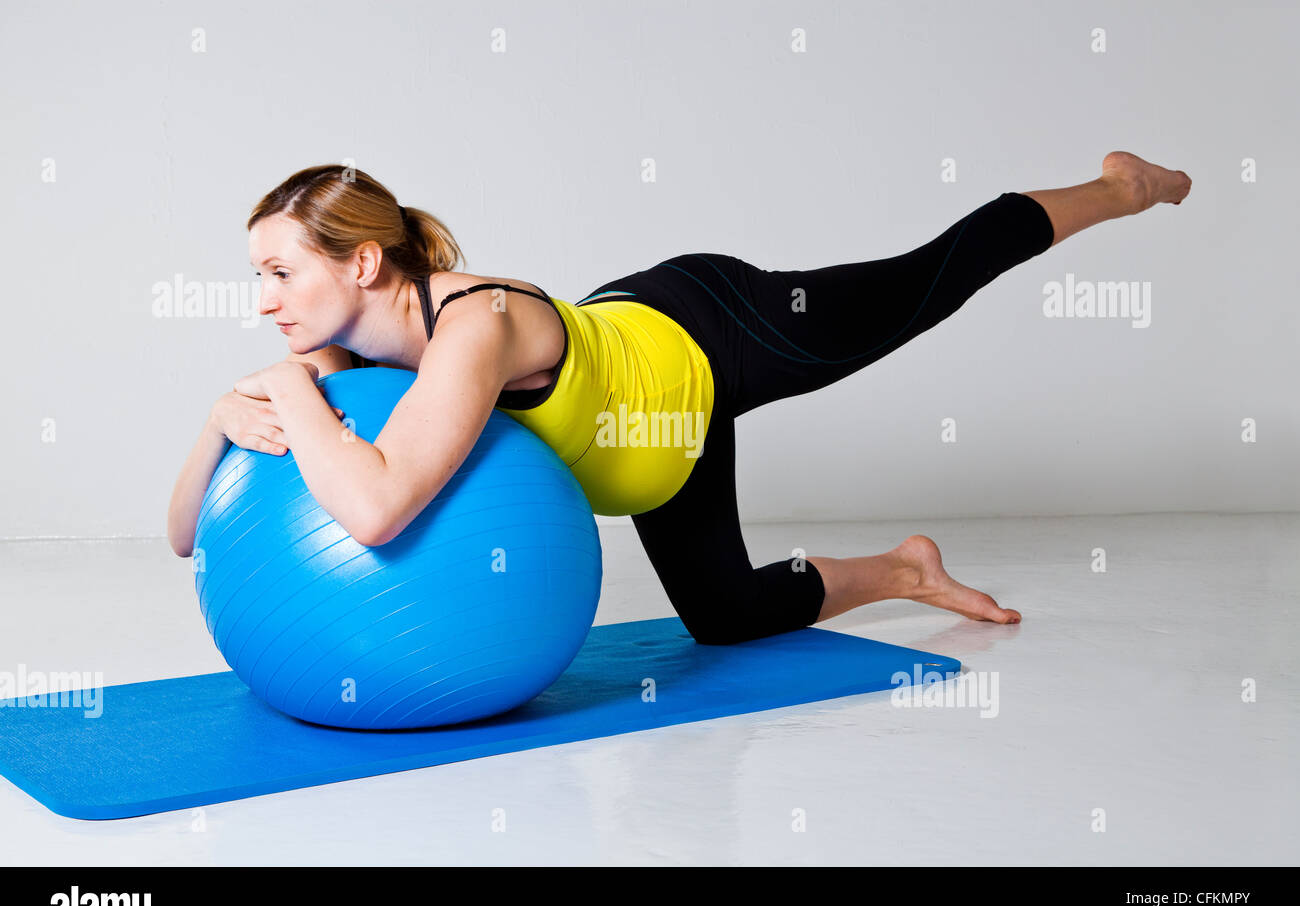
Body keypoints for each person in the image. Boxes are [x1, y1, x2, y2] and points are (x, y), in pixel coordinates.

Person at [168, 155, 1191, 645]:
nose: (260, 302)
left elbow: (380, 507)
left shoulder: (469, 328)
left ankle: (1120, 187)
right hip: (651, 440)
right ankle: (904, 568)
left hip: (707, 332)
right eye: (254, 277)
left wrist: (285, 391)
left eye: (276, 273)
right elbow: (183, 535)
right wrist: (222, 413)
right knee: (725, 616)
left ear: (360, 262)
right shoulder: (338, 351)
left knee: (925, 281)